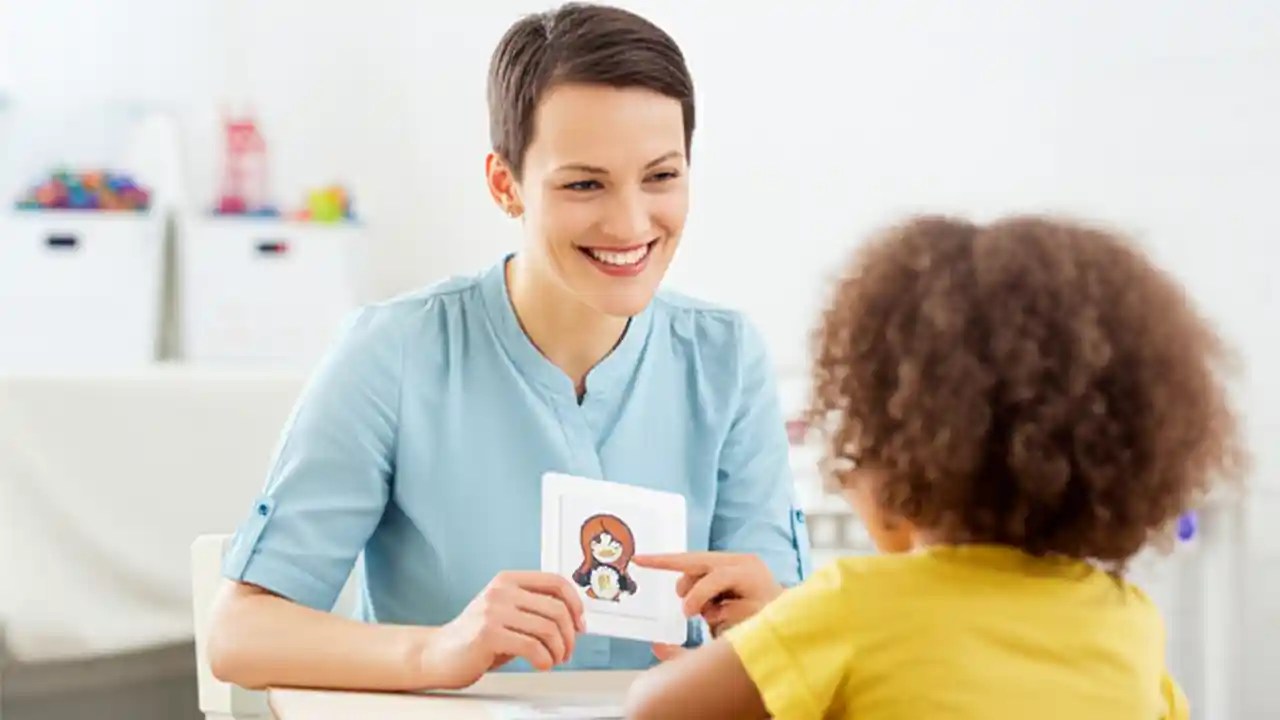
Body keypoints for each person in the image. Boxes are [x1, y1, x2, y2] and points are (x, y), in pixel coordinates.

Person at [206, 2, 811, 693]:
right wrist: (436, 652)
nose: (631, 222)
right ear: (505, 184)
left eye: (662, 176)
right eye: (585, 183)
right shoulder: (393, 354)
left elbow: (792, 637)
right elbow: (239, 632)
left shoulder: (727, 359)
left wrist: (772, 629)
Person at [625, 215, 1244, 719]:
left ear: (894, 455)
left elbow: (655, 711)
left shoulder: (851, 606)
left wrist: (742, 667)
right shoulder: (1127, 623)